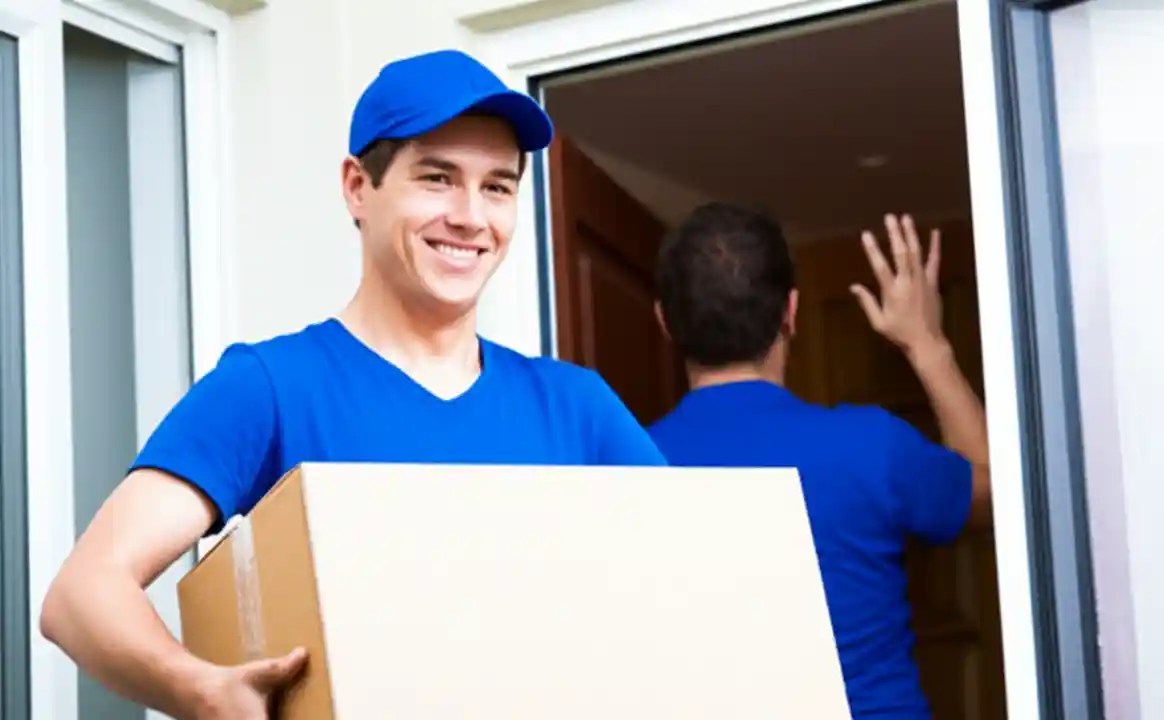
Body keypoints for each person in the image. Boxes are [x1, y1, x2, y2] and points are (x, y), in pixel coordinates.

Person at [39, 49, 665, 720]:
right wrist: (198, 689)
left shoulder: (578, 407)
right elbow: (82, 594)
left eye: (498, 187)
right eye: (437, 178)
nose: (470, 216)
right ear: (357, 187)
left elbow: (697, 582)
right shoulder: (273, 386)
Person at [647, 202, 990, 719]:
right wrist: (927, 343)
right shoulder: (872, 444)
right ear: (791, 311)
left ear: (664, 322)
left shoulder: (621, 471)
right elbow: (996, 497)